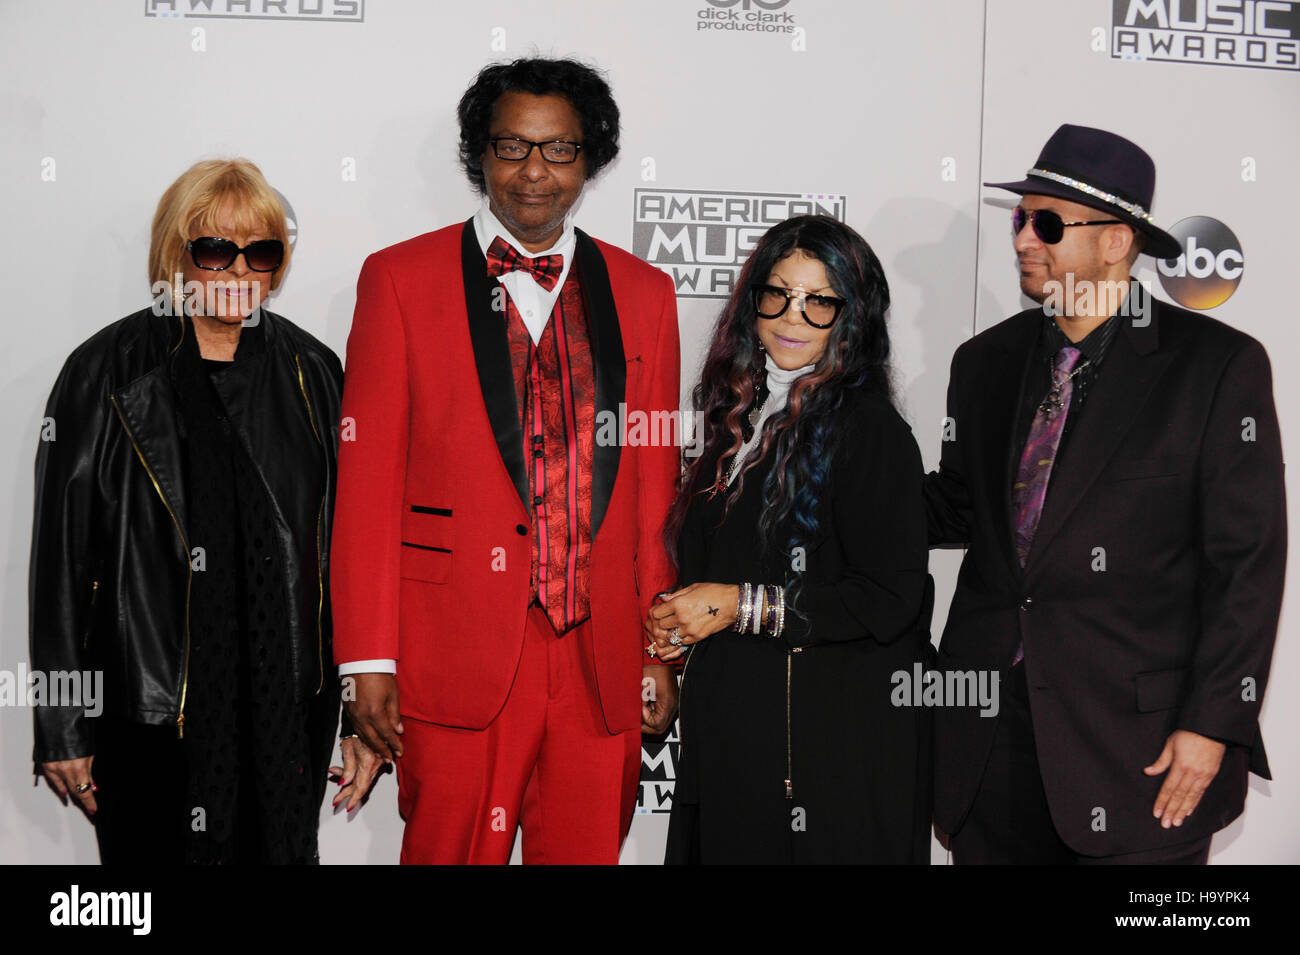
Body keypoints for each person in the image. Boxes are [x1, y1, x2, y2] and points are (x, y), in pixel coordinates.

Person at [332, 57, 682, 865]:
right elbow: (366, 492)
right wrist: (366, 662)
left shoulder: (645, 292)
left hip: (599, 661)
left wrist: (661, 647)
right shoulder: (398, 280)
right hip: (453, 655)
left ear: (589, 159)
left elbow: (655, 490)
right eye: (511, 147)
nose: (534, 171)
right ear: (478, 155)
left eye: (558, 150)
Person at [925, 124, 1286, 864]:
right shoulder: (984, 363)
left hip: (1138, 752)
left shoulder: (1216, 368)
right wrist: (834, 468)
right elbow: (960, 507)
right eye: (1022, 218)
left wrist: (1214, 723)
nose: (1023, 238)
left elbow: (1245, 565)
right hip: (987, 743)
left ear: (1117, 241)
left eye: (1047, 222)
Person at [29, 158, 379, 865]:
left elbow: (347, 555)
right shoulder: (105, 370)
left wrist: (358, 712)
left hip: (286, 710)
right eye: (214, 249)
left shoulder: (314, 374)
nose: (237, 269)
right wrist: (63, 722)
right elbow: (62, 562)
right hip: (150, 711)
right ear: (176, 255)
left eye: (261, 251)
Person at [648, 215, 933, 864]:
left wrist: (738, 604)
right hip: (732, 737)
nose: (792, 316)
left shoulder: (870, 429)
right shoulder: (731, 417)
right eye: (776, 293)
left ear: (852, 315)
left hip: (820, 760)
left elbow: (890, 596)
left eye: (819, 300)